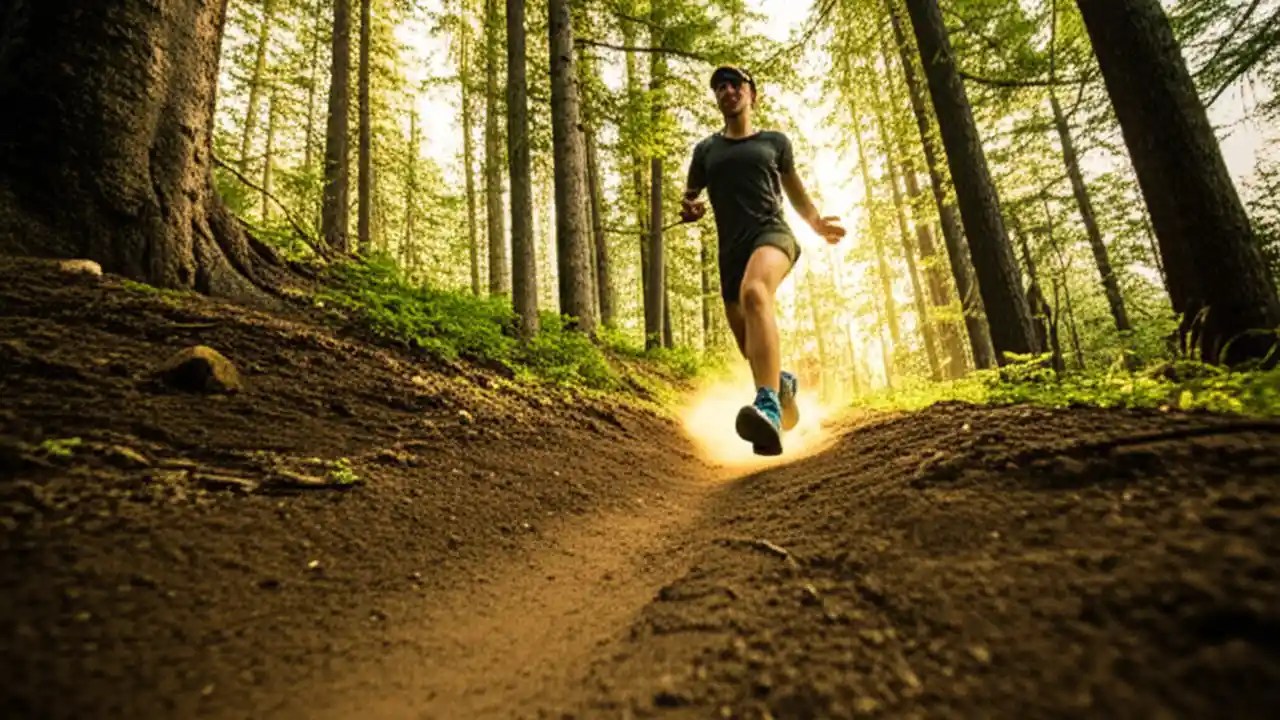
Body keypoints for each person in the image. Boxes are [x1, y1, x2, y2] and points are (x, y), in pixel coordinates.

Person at [680, 65, 845, 456]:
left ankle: (768, 405)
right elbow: (689, 198)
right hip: (731, 253)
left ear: (752, 95)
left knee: (755, 293)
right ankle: (782, 385)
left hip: (773, 235)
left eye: (736, 84)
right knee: (751, 348)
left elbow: (796, 192)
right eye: (720, 87)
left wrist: (817, 223)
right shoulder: (706, 151)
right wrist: (691, 209)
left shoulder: (774, 142)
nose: (728, 90)